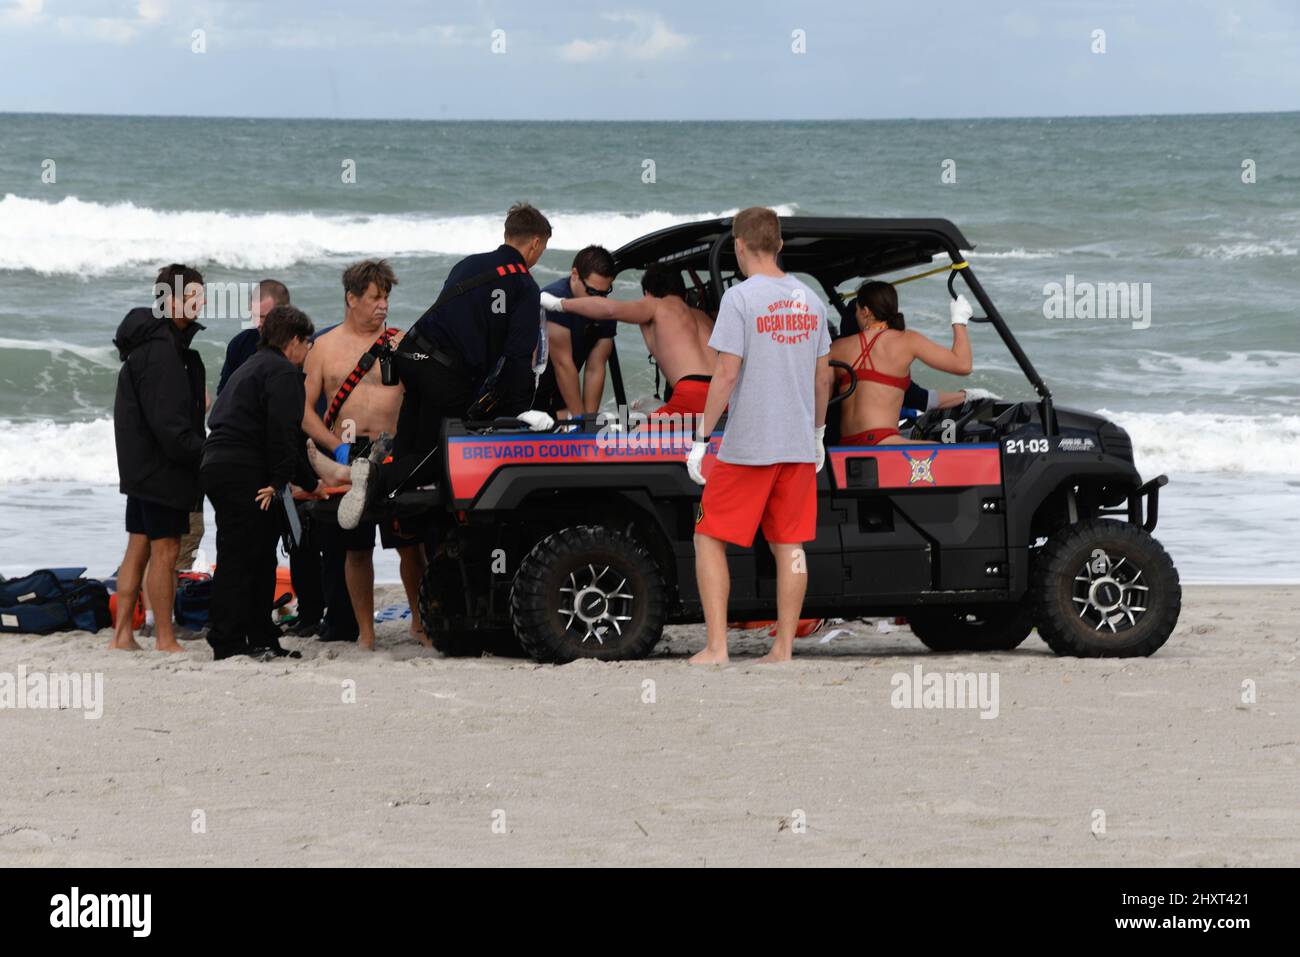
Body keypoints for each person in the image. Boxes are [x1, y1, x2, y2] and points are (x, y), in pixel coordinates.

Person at [340, 203, 555, 524]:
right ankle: (374, 478)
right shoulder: (524, 285)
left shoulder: (468, 265)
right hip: (446, 376)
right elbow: (518, 356)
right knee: (447, 452)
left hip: (412, 357)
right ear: (535, 243)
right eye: (543, 249)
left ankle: (381, 497)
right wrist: (519, 413)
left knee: (413, 444)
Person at [684, 207, 834, 666]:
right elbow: (822, 378)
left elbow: (726, 375)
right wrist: (818, 435)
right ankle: (783, 648)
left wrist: (701, 438)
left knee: (709, 537)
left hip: (748, 444)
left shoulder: (740, 299)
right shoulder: (811, 300)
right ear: (781, 245)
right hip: (795, 443)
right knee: (790, 545)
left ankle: (716, 647)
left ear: (738, 247)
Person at [301, 260, 428, 651]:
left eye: (386, 297)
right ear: (351, 298)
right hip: (349, 460)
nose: (382, 305)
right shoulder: (323, 347)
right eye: (374, 297)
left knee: (411, 546)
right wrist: (334, 444)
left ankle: (419, 624)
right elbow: (303, 410)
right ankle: (366, 635)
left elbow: (426, 396)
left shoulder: (401, 341)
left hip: (395, 458)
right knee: (357, 550)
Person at [201, 305, 324, 660]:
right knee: (242, 557)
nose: (309, 351)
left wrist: (303, 478)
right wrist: (287, 480)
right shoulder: (283, 371)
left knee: (255, 556)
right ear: (294, 341)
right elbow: (283, 433)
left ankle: (259, 635)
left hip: (219, 464)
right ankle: (227, 641)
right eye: (308, 343)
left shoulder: (251, 366)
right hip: (243, 470)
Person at [110, 264, 208, 652]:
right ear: (167, 300)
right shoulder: (163, 350)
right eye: (189, 297)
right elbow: (171, 427)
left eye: (200, 296)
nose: (198, 303)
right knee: (165, 551)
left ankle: (121, 636)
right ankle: (165, 637)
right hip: (161, 468)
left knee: (138, 546)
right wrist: (208, 455)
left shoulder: (154, 341)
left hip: (142, 466)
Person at [543, 262, 715, 420]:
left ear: (647, 293)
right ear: (684, 293)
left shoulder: (654, 304)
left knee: (628, 434)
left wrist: (559, 304)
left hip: (691, 395)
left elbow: (610, 310)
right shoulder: (704, 317)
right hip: (722, 394)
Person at [829, 281, 973, 445]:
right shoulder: (907, 340)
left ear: (866, 311)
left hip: (844, 446)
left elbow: (819, 392)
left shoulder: (837, 348)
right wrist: (959, 320)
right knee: (948, 455)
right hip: (882, 441)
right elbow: (963, 365)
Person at [534, 245, 617, 418]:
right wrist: (579, 420)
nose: (598, 300)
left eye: (605, 293)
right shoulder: (554, 299)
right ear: (575, 275)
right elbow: (563, 365)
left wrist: (588, 419)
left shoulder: (606, 310)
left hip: (559, 396)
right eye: (592, 291)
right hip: (527, 394)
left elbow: (595, 368)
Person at [217, 279, 291, 395]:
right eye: (254, 315)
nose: (257, 323)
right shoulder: (239, 344)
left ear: (285, 311)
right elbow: (224, 394)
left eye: (263, 317)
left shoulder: (302, 346)